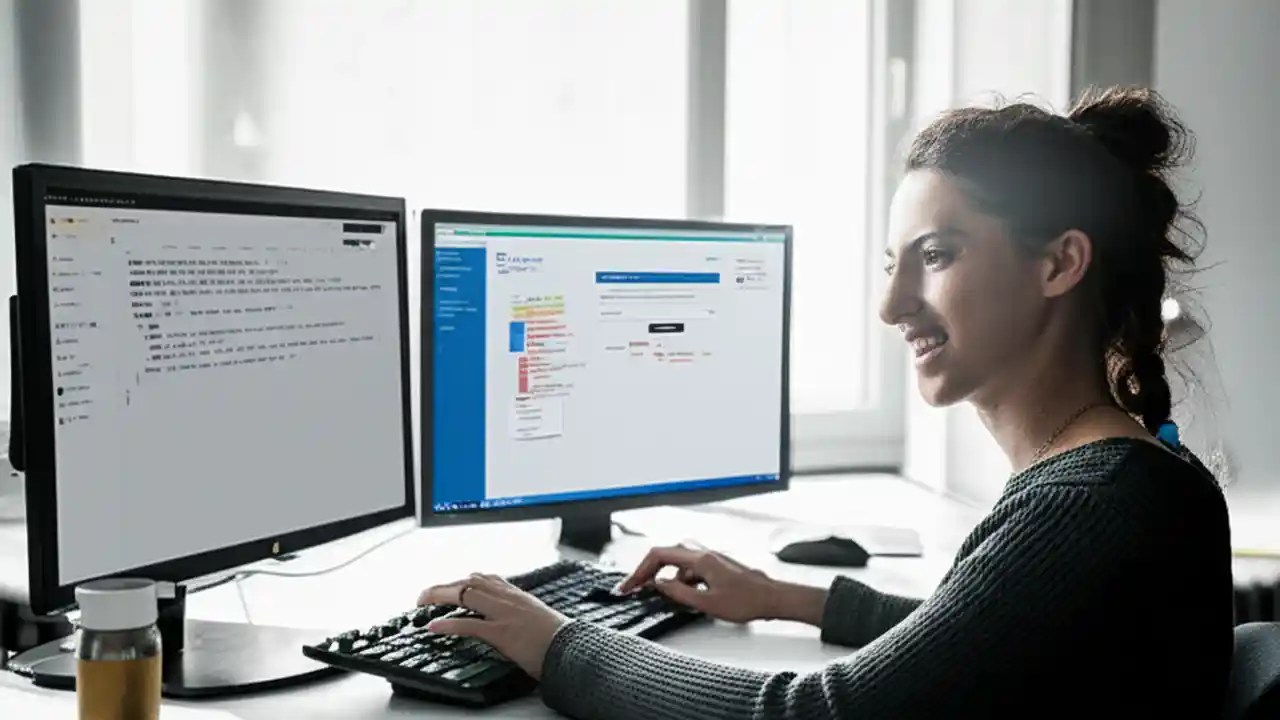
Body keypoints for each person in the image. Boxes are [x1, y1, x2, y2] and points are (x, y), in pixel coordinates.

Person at [417, 86, 1235, 718]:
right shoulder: (1125, 476)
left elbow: (816, 713)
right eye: (890, 265)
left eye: (936, 256)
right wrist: (782, 597)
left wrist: (557, 642)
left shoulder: (1089, 504)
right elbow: (980, 639)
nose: (892, 305)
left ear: (1059, 264)